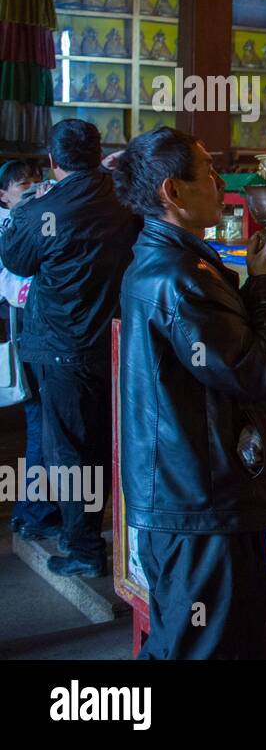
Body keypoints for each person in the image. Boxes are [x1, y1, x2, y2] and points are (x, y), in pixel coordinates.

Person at [114, 127, 266, 659]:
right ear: (172, 192)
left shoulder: (171, 260)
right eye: (209, 172)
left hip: (192, 495)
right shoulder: (178, 276)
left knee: (204, 642)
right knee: (205, 648)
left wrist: (256, 284)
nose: (223, 182)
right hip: (200, 503)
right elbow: (256, 370)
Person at [0, 121, 139, 577]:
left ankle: (84, 549)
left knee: (70, 452)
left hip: (61, 346)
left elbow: (17, 259)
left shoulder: (47, 205)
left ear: (52, 161)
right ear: (100, 153)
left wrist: (26, 206)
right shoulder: (124, 197)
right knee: (110, 442)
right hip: (119, 342)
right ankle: (119, 544)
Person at [0, 160, 58, 542]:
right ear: (3, 194)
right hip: (26, 335)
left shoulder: (31, 217)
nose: (33, 188)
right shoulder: (9, 226)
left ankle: (31, 510)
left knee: (44, 425)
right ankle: (33, 512)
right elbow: (13, 285)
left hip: (35, 333)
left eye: (38, 181)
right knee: (40, 424)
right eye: (23, 185)